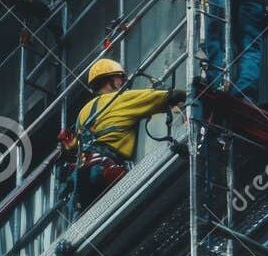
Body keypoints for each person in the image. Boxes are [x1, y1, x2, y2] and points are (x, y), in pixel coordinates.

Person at [70, 57, 184, 207]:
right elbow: (166, 97)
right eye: (120, 78)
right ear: (108, 80)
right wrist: (189, 94)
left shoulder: (82, 113)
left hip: (82, 178)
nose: (123, 82)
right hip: (106, 171)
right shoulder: (120, 99)